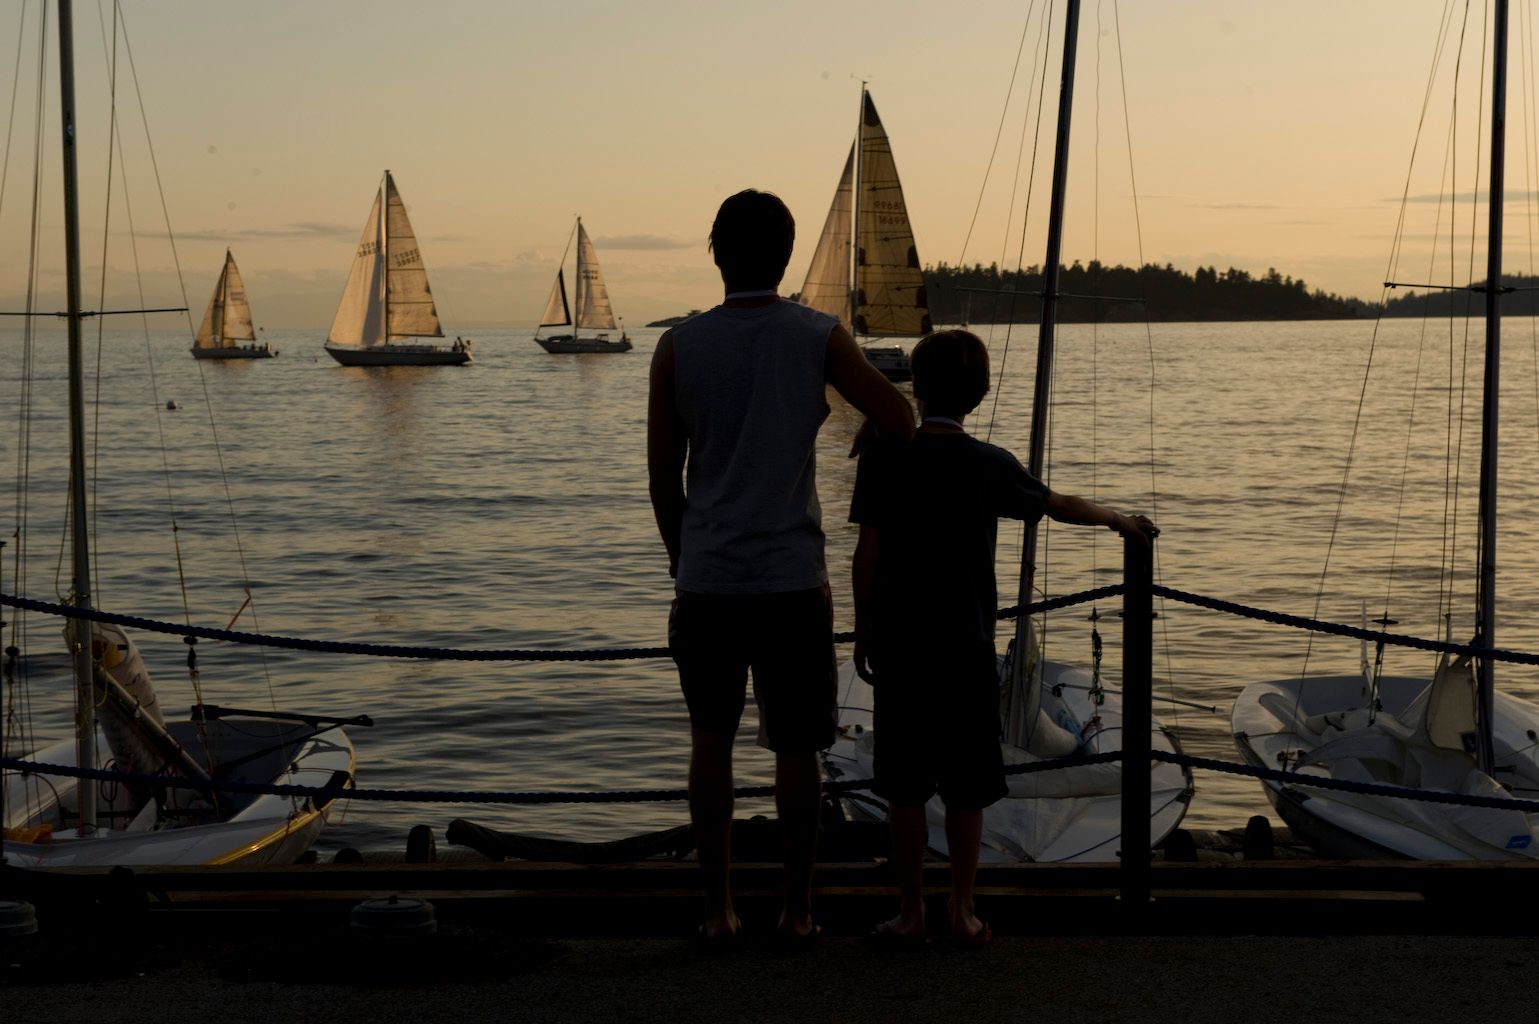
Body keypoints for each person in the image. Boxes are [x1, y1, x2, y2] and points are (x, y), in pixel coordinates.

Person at [647, 189, 915, 946]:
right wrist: (866, 426)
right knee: (799, 749)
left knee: (711, 740)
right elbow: (900, 418)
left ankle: (718, 910)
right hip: (792, 579)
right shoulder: (817, 335)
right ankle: (798, 911)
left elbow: (663, 480)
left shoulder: (678, 346)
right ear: (788, 254)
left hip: (707, 580)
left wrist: (683, 561)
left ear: (715, 253)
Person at [849, 328, 1156, 946]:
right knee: (967, 785)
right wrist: (1119, 520)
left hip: (903, 646)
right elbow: (1058, 503)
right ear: (980, 395)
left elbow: (868, 552)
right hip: (966, 648)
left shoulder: (886, 454)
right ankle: (962, 910)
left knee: (904, 787)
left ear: (919, 383)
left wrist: (864, 628)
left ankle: (911, 912)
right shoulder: (989, 464)